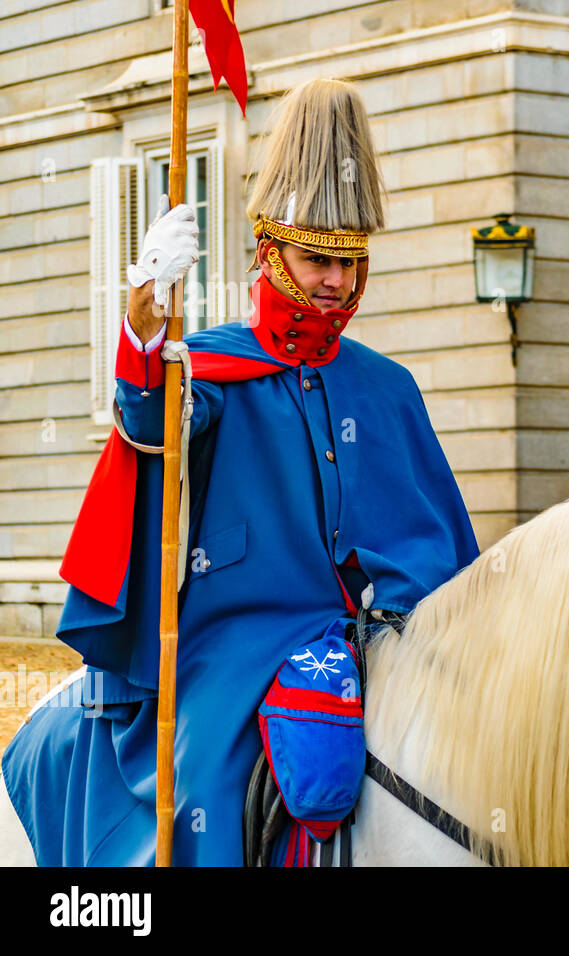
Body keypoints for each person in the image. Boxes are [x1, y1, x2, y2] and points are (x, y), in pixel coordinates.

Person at [2, 78, 478, 865]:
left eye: (350, 261)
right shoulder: (208, 369)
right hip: (241, 640)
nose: (337, 282)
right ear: (269, 254)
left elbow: (440, 548)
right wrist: (146, 317)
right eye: (317, 260)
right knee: (206, 784)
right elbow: (147, 425)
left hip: (391, 638)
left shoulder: (387, 388)